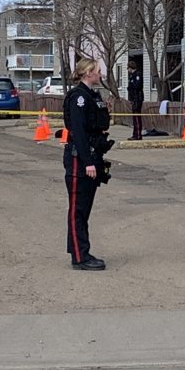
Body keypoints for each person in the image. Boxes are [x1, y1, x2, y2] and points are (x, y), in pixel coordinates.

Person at [62, 57, 114, 271]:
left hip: (94, 154)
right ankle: (80, 257)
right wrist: (87, 163)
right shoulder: (78, 98)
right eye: (97, 71)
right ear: (87, 73)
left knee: (85, 209)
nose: (100, 74)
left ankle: (81, 250)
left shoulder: (93, 96)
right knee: (78, 209)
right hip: (80, 159)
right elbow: (79, 133)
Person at [127, 60, 144, 140]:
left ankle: (138, 135)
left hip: (138, 97)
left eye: (128, 68)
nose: (128, 70)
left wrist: (131, 87)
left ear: (131, 68)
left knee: (137, 116)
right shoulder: (132, 76)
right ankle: (135, 133)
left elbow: (137, 86)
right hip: (134, 98)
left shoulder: (137, 75)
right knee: (134, 116)